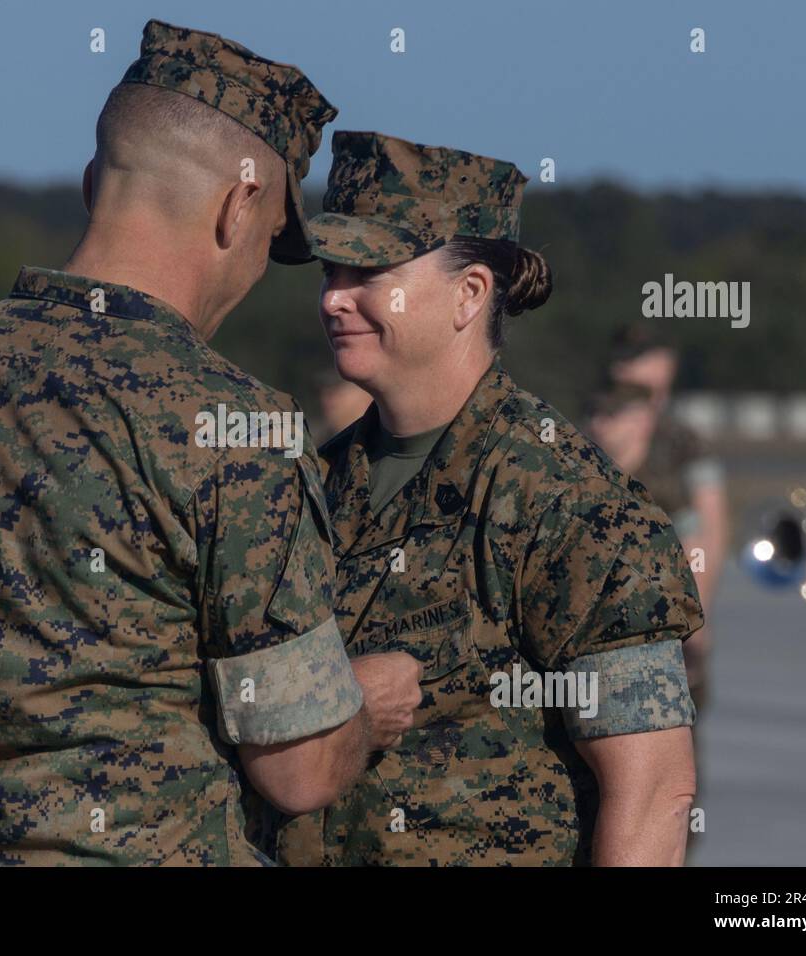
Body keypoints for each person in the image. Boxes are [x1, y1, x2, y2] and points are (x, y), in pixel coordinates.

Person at [0, 20, 421, 867]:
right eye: (270, 239)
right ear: (239, 206)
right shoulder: (233, 429)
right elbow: (298, 769)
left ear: (90, 185)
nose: (259, 270)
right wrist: (362, 706)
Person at [276, 132, 704, 866]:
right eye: (330, 271)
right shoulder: (311, 484)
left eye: (369, 271)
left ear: (470, 294)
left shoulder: (568, 503)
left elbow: (653, 791)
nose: (335, 297)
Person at [606, 324, 729, 713]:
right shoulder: (598, 426)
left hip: (672, 611)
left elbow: (711, 527)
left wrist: (697, 613)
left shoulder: (683, 441)